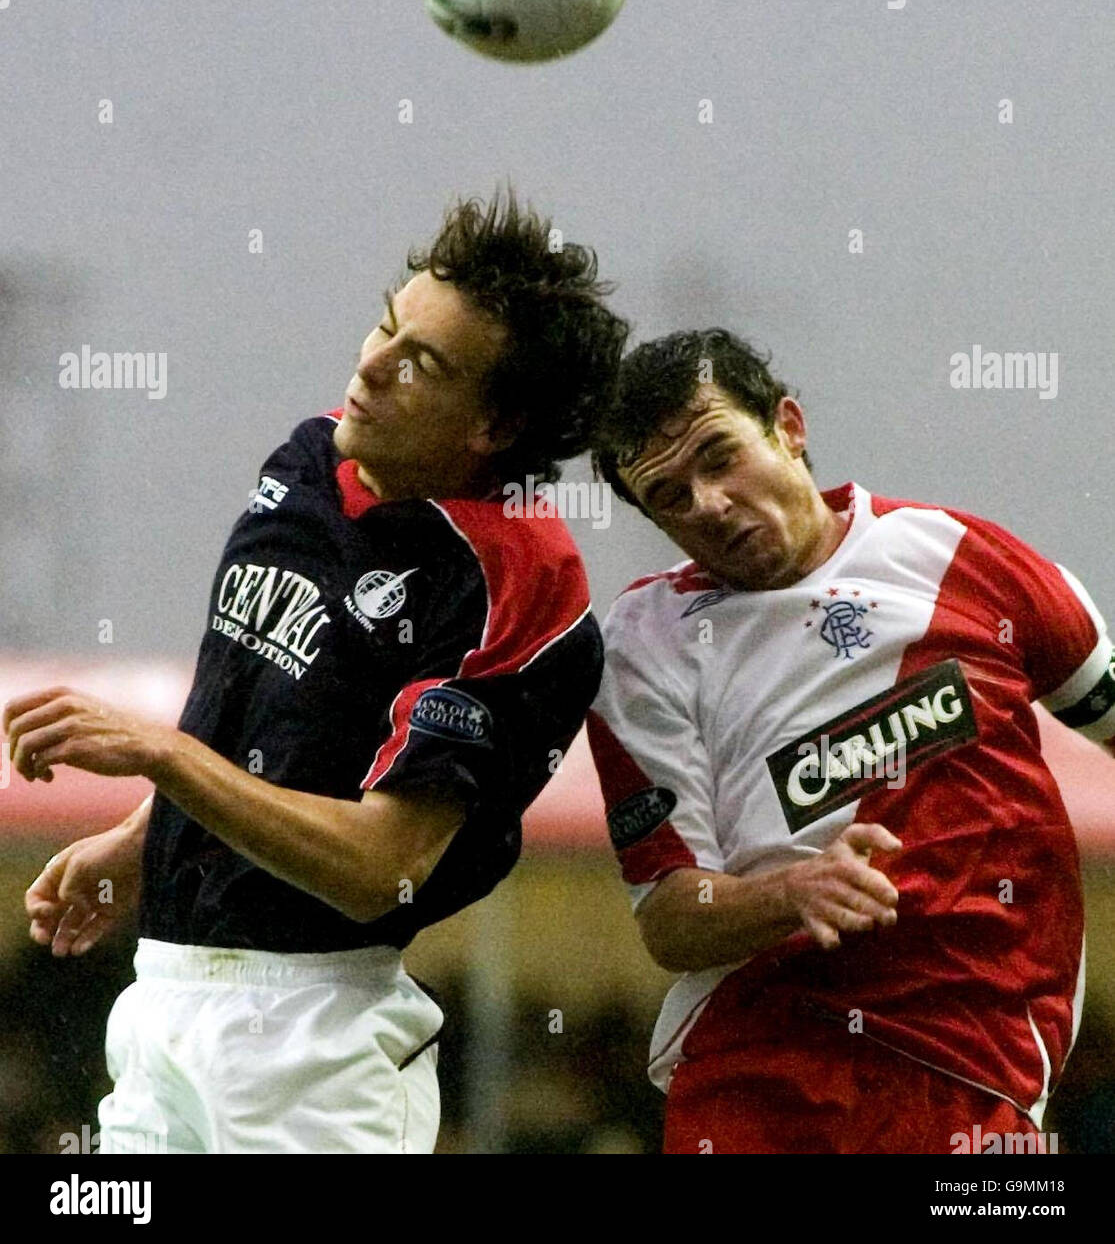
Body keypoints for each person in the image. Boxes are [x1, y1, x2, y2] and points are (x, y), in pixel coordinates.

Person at [3, 188, 629, 1155]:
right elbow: (266, 714)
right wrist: (140, 840)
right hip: (163, 994)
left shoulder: (514, 580)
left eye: (420, 364)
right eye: (385, 324)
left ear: (492, 428)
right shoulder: (304, 462)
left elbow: (382, 870)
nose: (371, 366)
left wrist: (164, 763)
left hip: (310, 1038)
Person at [587, 327, 1115, 1155]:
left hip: (979, 1074)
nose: (708, 505)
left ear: (787, 425)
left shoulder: (958, 557)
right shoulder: (643, 643)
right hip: (756, 1067)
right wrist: (790, 892)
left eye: (718, 457)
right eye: (670, 497)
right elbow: (668, 920)